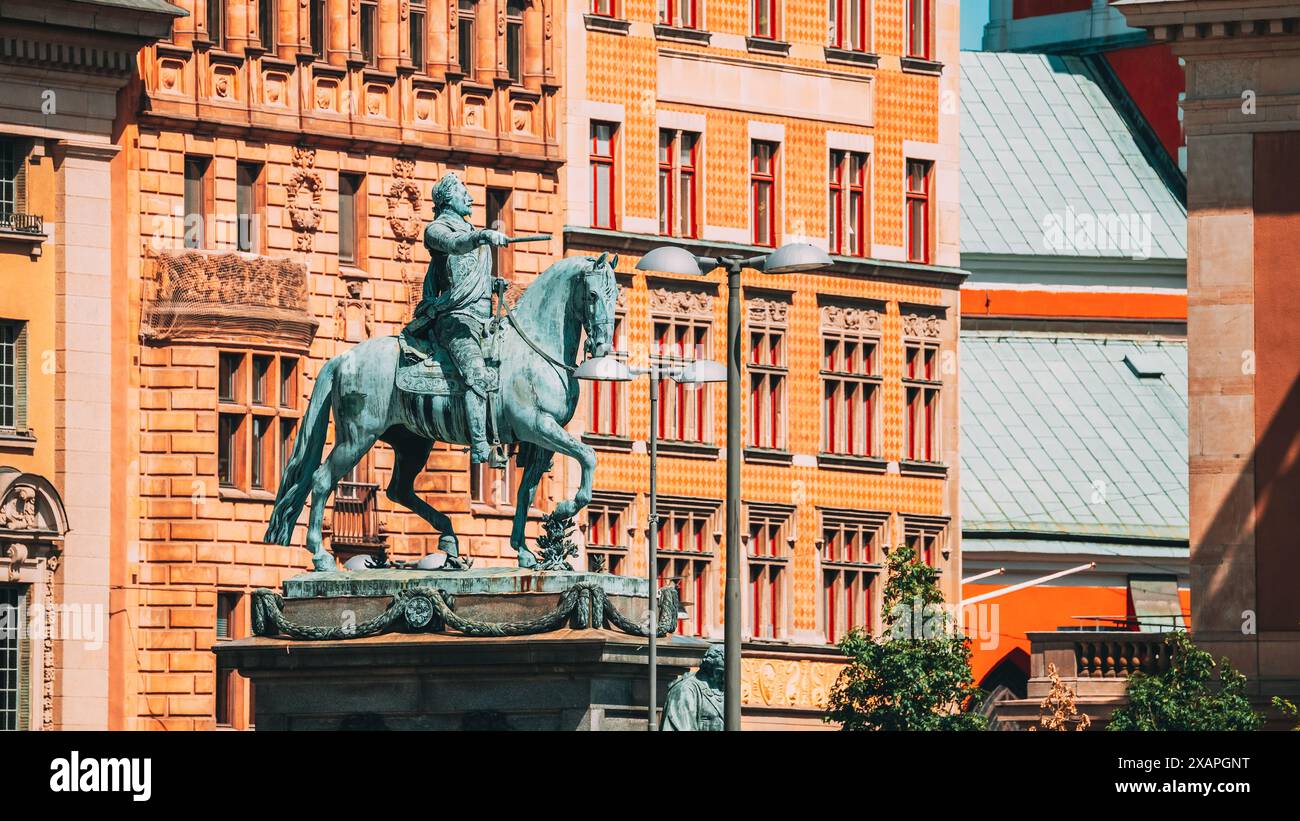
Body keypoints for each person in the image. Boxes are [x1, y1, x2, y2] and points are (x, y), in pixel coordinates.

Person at [404, 173, 509, 467]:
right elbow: (456, 245)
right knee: (475, 373)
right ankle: (479, 445)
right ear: (447, 198)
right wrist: (483, 236)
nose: (471, 198)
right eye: (465, 193)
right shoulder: (436, 230)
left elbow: (472, 275)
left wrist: (492, 286)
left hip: (484, 320)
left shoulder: (471, 229)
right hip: (454, 320)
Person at [661, 644, 724, 731]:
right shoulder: (685, 690)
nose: (724, 678)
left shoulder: (725, 690)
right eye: (719, 673)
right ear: (708, 668)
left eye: (728, 673)